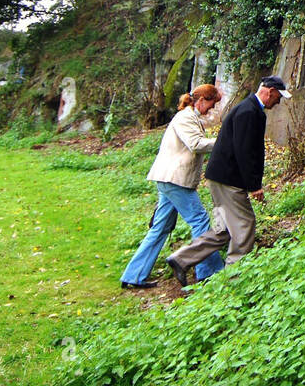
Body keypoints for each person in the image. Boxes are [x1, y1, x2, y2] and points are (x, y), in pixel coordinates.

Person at [166, 75, 290, 285]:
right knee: (244, 224)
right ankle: (233, 280)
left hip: (221, 177)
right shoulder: (248, 112)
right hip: (228, 180)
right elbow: (244, 151)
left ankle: (181, 259)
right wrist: (254, 186)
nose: (278, 102)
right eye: (278, 96)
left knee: (224, 231)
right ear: (269, 91)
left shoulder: (252, 110)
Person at [120, 84, 226, 289]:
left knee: (161, 227)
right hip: (175, 179)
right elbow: (195, 144)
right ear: (202, 100)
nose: (211, 110)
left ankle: (133, 276)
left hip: (169, 178)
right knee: (200, 221)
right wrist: (224, 141)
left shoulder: (189, 117)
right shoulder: (186, 117)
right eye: (211, 105)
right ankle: (208, 272)